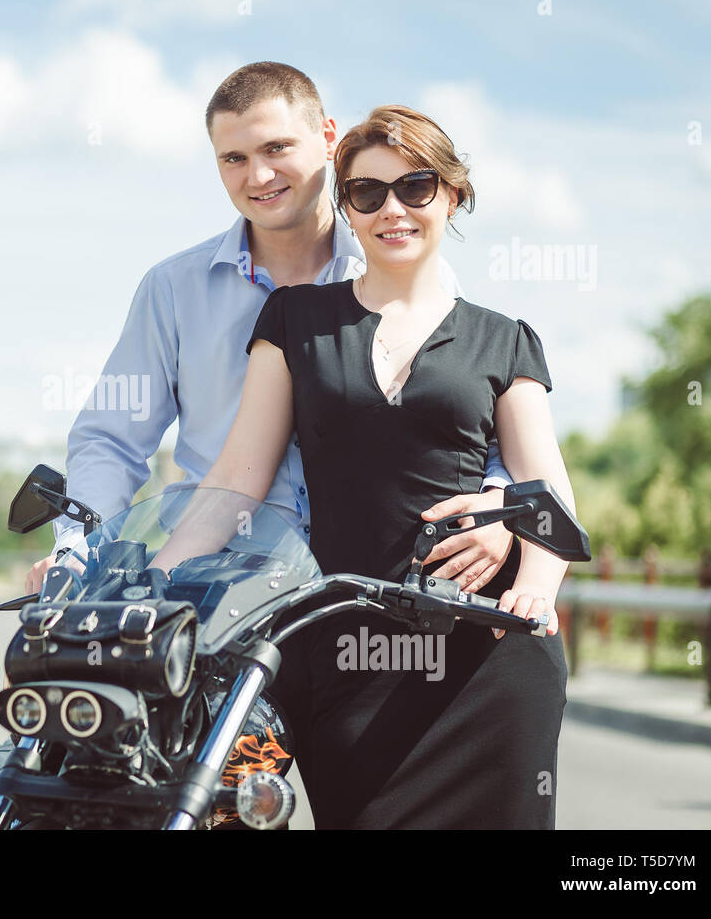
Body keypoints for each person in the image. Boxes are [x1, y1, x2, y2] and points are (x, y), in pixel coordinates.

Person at [150, 104, 574, 829]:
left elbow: (548, 495)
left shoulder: (505, 340)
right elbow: (234, 482)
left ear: (452, 193)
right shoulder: (293, 320)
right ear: (345, 208)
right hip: (344, 647)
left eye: (414, 187)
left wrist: (532, 590)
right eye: (367, 193)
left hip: (487, 657)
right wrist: (157, 583)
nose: (392, 209)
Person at [26, 63, 514, 603]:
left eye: (277, 148)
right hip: (210, 580)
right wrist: (77, 549)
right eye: (234, 158)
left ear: (329, 139)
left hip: (367, 582)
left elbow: (480, 421)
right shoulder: (173, 289)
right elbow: (111, 439)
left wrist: (499, 500)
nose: (257, 176)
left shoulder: (416, 272)